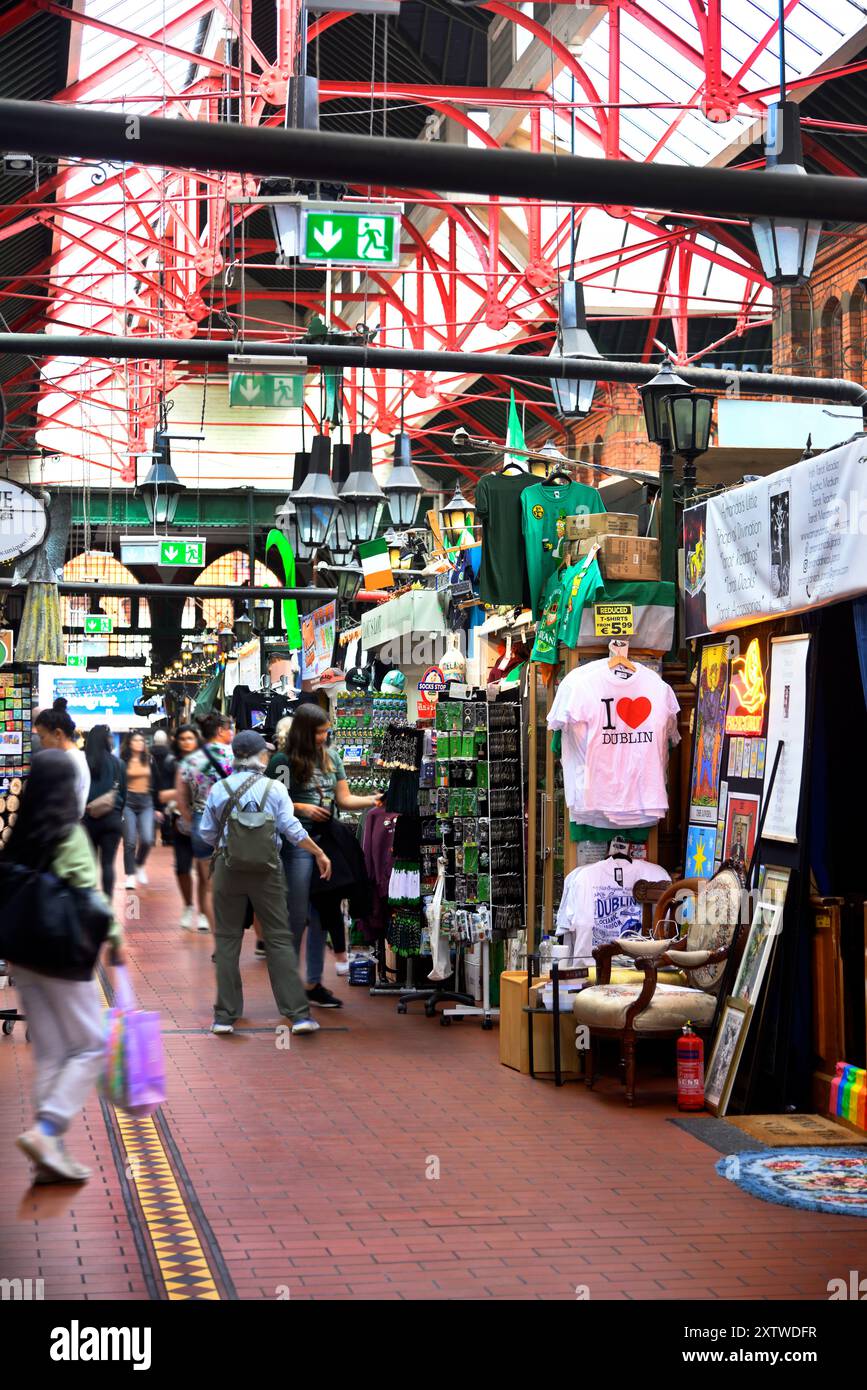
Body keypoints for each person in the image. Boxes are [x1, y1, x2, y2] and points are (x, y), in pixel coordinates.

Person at [6, 750, 127, 1184]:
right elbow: (87, 894)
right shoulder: (68, 832)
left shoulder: (19, 833)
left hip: (23, 953)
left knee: (53, 1052)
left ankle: (48, 1159)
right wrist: (115, 939)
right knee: (92, 1045)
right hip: (62, 952)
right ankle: (47, 1131)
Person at [198, 731, 332, 1037]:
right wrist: (319, 852)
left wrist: (231, 838)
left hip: (228, 870)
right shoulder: (275, 788)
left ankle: (224, 1016)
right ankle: (297, 1015)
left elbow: (206, 834)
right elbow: (292, 830)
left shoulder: (220, 789)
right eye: (266, 753)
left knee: (228, 940)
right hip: (268, 871)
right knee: (279, 939)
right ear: (260, 756)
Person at [280, 703, 380, 1006]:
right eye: (320, 732)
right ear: (305, 731)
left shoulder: (332, 758)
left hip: (328, 842)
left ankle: (312, 984)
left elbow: (344, 799)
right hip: (297, 843)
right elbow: (276, 801)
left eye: (326, 731)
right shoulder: (283, 762)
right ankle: (288, 982)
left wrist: (373, 801)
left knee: (321, 912)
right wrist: (302, 807)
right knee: (297, 916)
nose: (325, 737)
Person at [175, 719, 233, 934]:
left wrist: (191, 819)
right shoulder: (234, 756)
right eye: (230, 729)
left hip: (202, 821)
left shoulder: (190, 760)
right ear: (220, 730)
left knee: (209, 886)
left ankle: (219, 939)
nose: (232, 733)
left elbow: (181, 798)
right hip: (231, 823)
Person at [82, 725, 126, 898]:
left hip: (87, 818)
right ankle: (107, 903)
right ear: (107, 740)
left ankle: (89, 901)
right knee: (108, 864)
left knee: (89, 863)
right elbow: (123, 793)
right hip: (112, 818)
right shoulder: (118, 763)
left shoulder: (83, 761)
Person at [33, 708, 90, 817]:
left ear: (58, 734)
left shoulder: (67, 761)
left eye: (42, 737)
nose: (41, 743)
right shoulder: (76, 757)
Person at [120, 732, 158, 890]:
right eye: (136, 740)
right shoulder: (123, 761)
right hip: (128, 802)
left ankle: (140, 863)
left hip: (146, 802)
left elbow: (157, 782)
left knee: (148, 839)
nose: (140, 743)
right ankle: (130, 875)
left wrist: (159, 807)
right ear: (129, 743)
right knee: (129, 841)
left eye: (142, 740)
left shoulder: (149, 760)